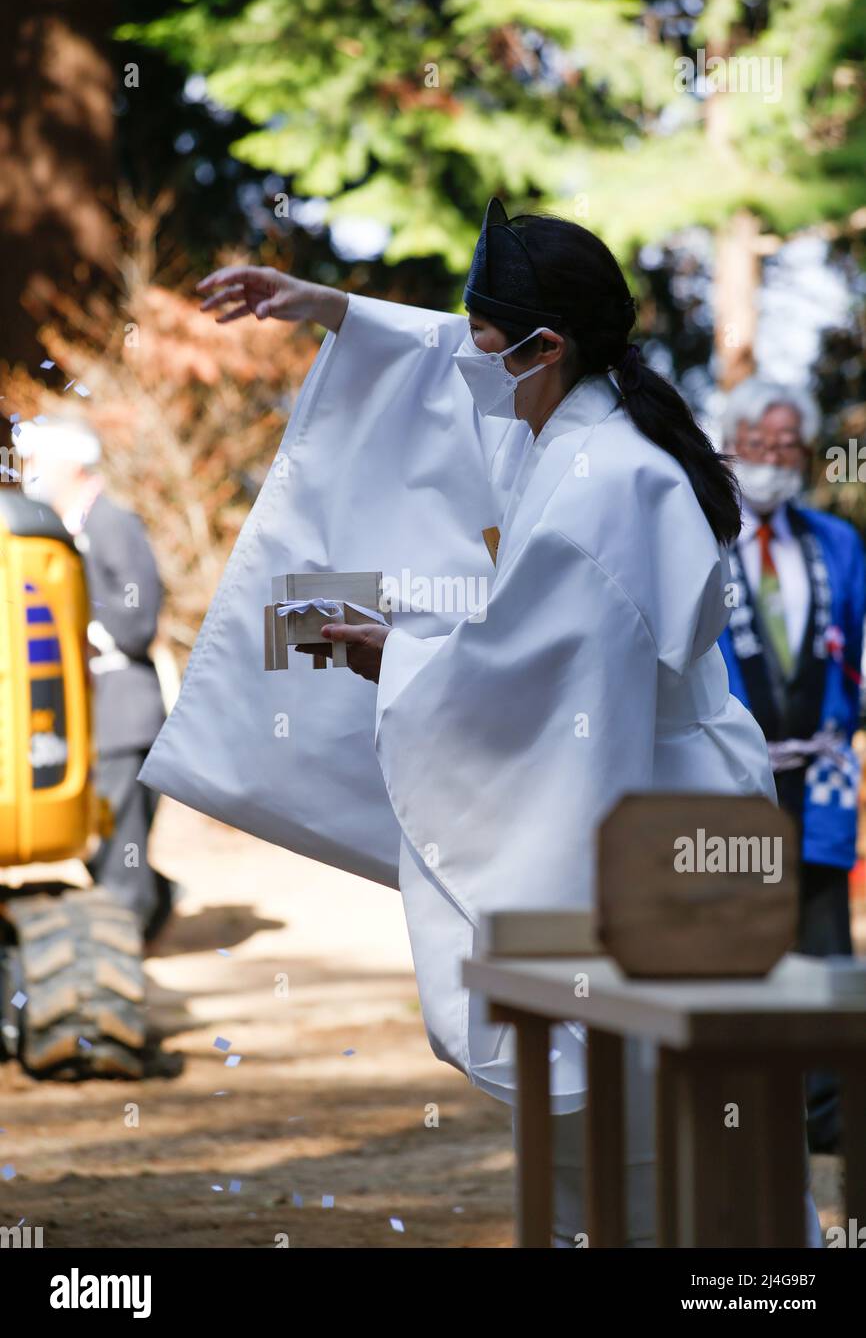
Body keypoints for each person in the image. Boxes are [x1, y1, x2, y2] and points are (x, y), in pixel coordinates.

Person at [195, 198, 821, 1245]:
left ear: (546, 347)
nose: (467, 354)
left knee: (686, 1146)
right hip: (656, 805)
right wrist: (329, 309)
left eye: (486, 333)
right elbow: (454, 360)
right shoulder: (585, 417)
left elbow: (534, 678)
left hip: (652, 821)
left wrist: (387, 651)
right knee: (639, 1143)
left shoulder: (607, 477)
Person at [719, 378, 866, 1154]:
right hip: (735, 772)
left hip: (823, 771)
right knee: (737, 933)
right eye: (758, 444)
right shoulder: (706, 538)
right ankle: (743, 1107)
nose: (774, 459)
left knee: (823, 937)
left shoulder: (837, 543)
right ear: (731, 447)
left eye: (787, 446)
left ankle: (828, 1118)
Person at [19, 419, 174, 945]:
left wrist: (81, 629)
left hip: (123, 716)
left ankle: (123, 969)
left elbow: (140, 615)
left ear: (73, 466)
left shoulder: (111, 521)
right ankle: (153, 909)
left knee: (119, 858)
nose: (32, 472)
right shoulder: (72, 526)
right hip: (95, 717)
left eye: (41, 462)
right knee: (106, 848)